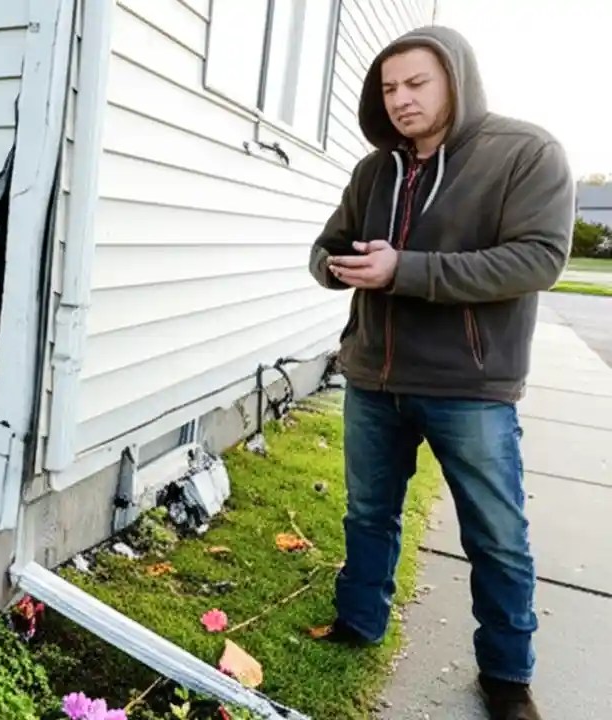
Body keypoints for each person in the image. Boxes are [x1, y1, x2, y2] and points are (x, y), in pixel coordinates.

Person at [307, 25, 574, 720]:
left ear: (457, 77)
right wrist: (334, 266)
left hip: (471, 389)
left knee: (495, 535)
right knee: (368, 514)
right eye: (389, 88)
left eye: (416, 83)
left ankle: (508, 679)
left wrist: (406, 270)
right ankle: (358, 622)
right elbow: (328, 244)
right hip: (374, 378)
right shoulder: (376, 168)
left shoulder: (526, 153)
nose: (401, 100)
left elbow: (538, 259)